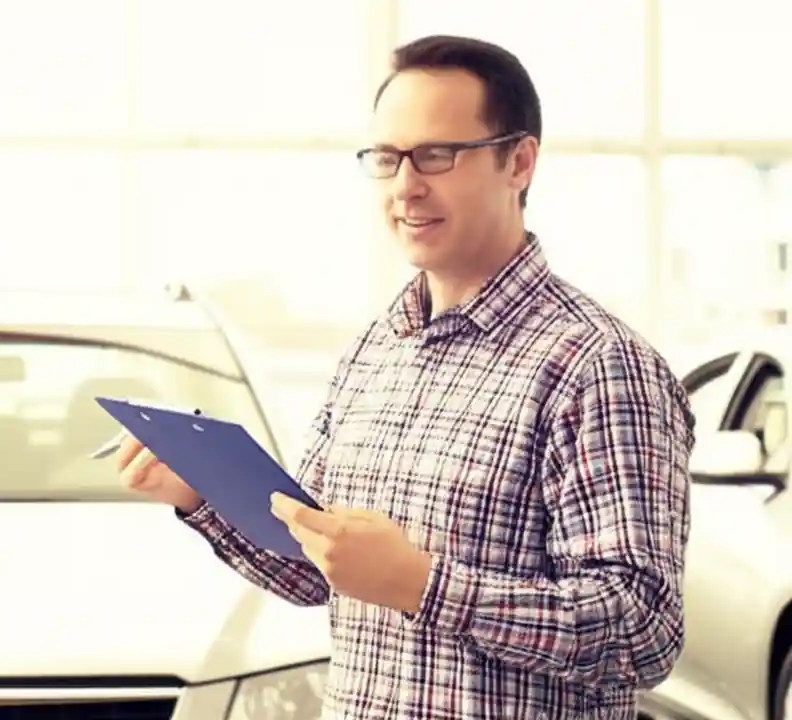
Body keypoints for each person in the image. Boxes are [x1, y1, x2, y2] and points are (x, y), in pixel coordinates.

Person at [116, 34, 694, 719]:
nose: (406, 186)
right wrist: (201, 496)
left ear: (521, 161)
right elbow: (315, 574)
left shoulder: (598, 365)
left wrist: (424, 585)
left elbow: (643, 632)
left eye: (437, 155)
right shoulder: (376, 350)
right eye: (388, 158)